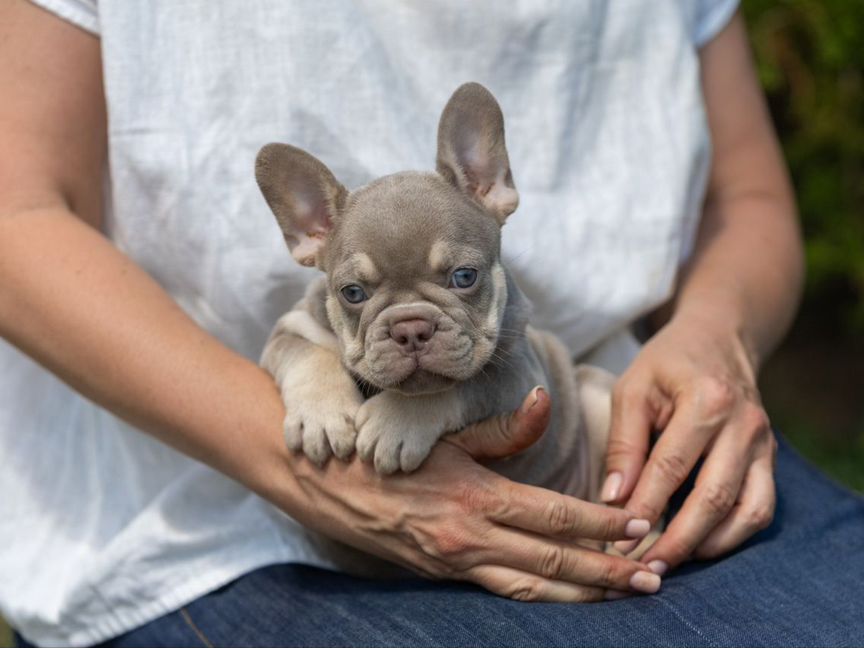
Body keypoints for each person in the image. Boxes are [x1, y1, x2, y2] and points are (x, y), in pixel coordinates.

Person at [2, 0, 862, 646]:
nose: (410, 328)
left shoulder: (500, 295)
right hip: (222, 513)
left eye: (456, 280)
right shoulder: (315, 298)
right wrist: (303, 440)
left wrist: (718, 329)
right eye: (362, 296)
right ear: (309, 237)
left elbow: (745, 196)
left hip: (602, 455)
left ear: (491, 189)